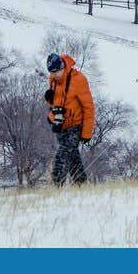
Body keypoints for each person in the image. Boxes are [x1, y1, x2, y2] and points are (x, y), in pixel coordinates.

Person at [43, 52, 95, 185]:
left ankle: (56, 186)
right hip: (60, 125)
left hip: (75, 126)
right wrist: (49, 101)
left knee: (62, 156)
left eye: (56, 71)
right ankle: (81, 185)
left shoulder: (78, 79)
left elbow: (89, 107)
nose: (54, 75)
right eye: (51, 72)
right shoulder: (52, 79)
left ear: (62, 67)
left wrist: (86, 133)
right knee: (73, 158)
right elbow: (56, 102)